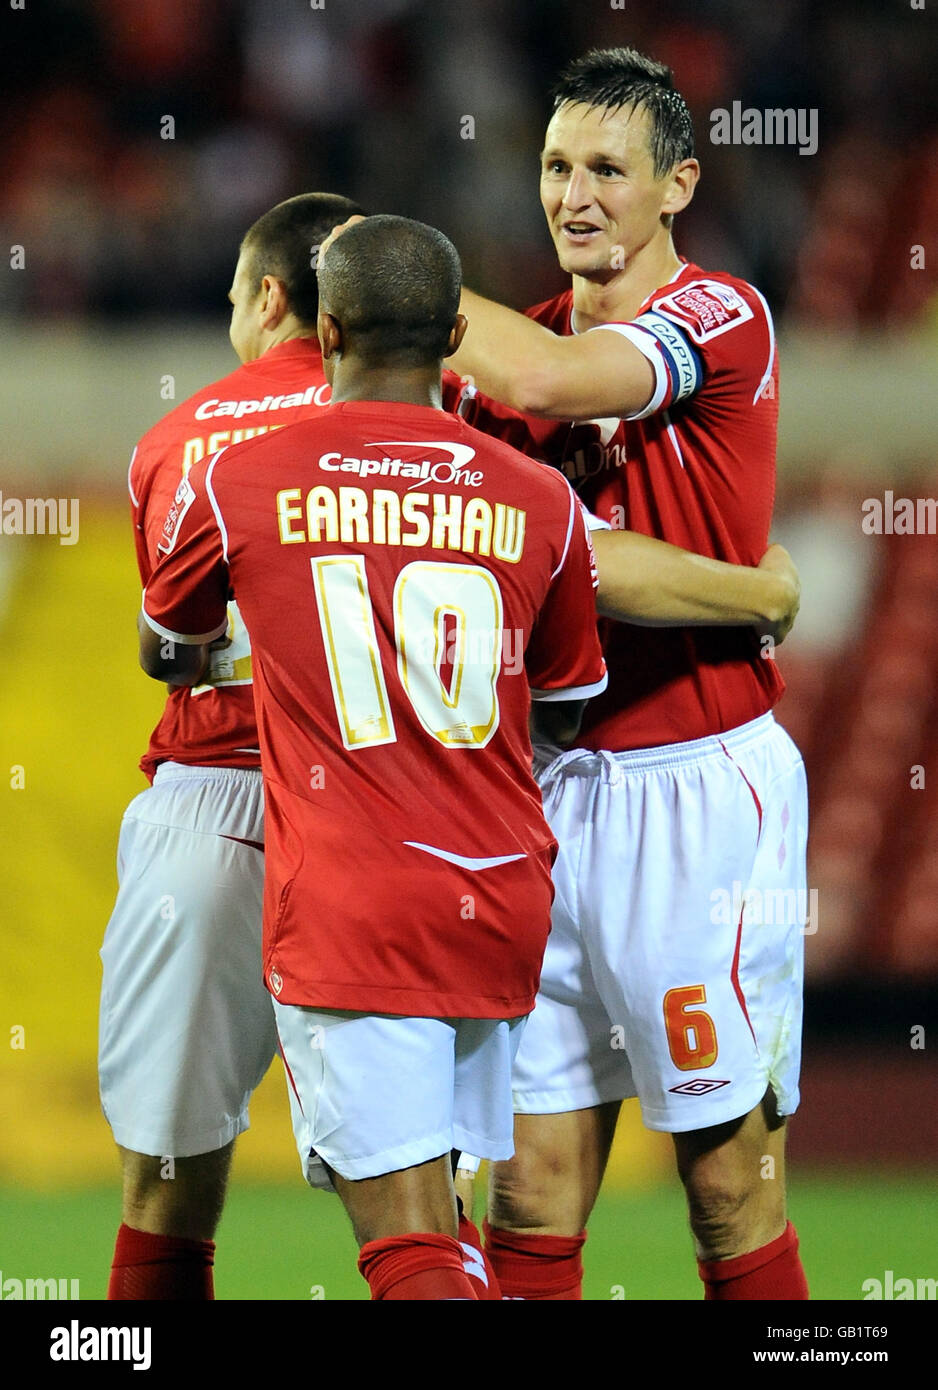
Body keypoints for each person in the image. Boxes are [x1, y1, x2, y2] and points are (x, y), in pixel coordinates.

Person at [136, 214, 610, 1301]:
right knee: (448, 1223)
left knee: (405, 1246)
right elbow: (568, 707)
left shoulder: (245, 476)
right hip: (496, 900)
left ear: (329, 329)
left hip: (357, 903)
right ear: (453, 334)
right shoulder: (542, 500)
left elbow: (171, 643)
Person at [446, 47, 810, 1300]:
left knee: (722, 1188)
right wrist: (755, 592)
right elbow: (549, 563)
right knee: (529, 1188)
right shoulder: (501, 358)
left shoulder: (720, 317)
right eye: (554, 165)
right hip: (544, 798)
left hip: (697, 794)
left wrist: (385, 276)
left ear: (677, 188)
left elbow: (556, 387)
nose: (574, 195)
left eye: (608, 167)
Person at [99, 191, 363, 1300]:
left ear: (267, 294)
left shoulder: (179, 437)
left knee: (166, 1180)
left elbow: (174, 646)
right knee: (416, 1188)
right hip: (376, 807)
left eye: (230, 301)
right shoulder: (441, 426)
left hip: (211, 803)